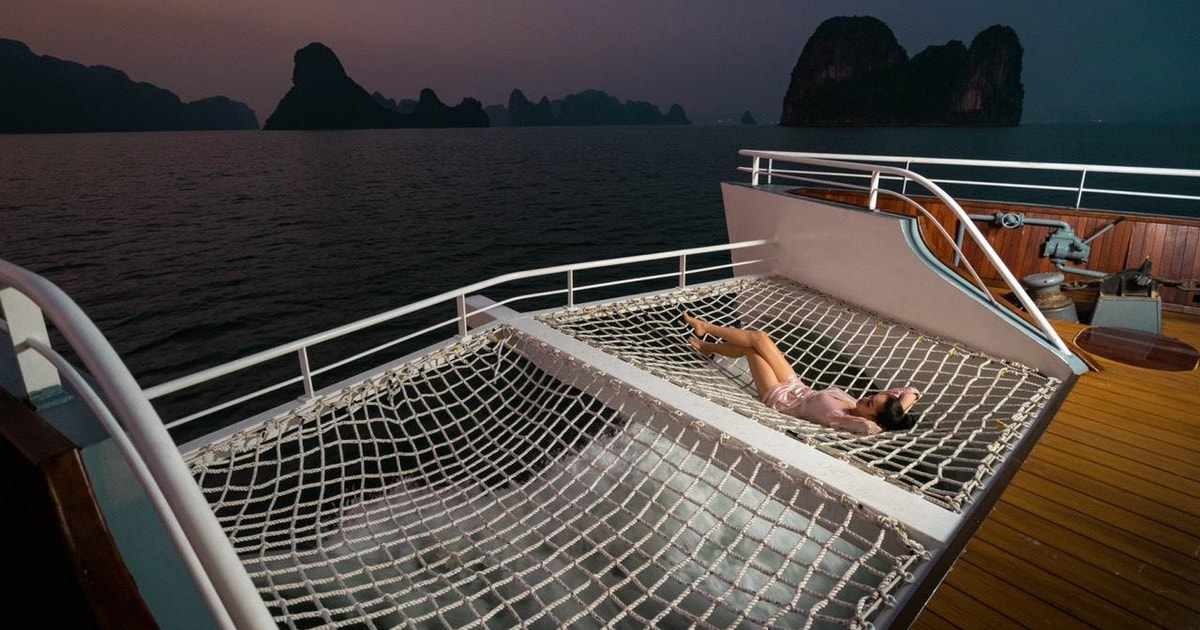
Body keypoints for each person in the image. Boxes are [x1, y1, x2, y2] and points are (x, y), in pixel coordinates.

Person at [682, 312, 920, 435]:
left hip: (779, 398)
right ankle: (705, 336)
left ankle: (706, 342)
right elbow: (911, 392)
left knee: (751, 352)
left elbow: (878, 428)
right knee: (760, 338)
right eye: (872, 395)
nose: (866, 397)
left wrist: (889, 421)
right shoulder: (862, 409)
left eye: (870, 403)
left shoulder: (858, 423)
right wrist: (901, 410)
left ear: (872, 419)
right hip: (797, 386)